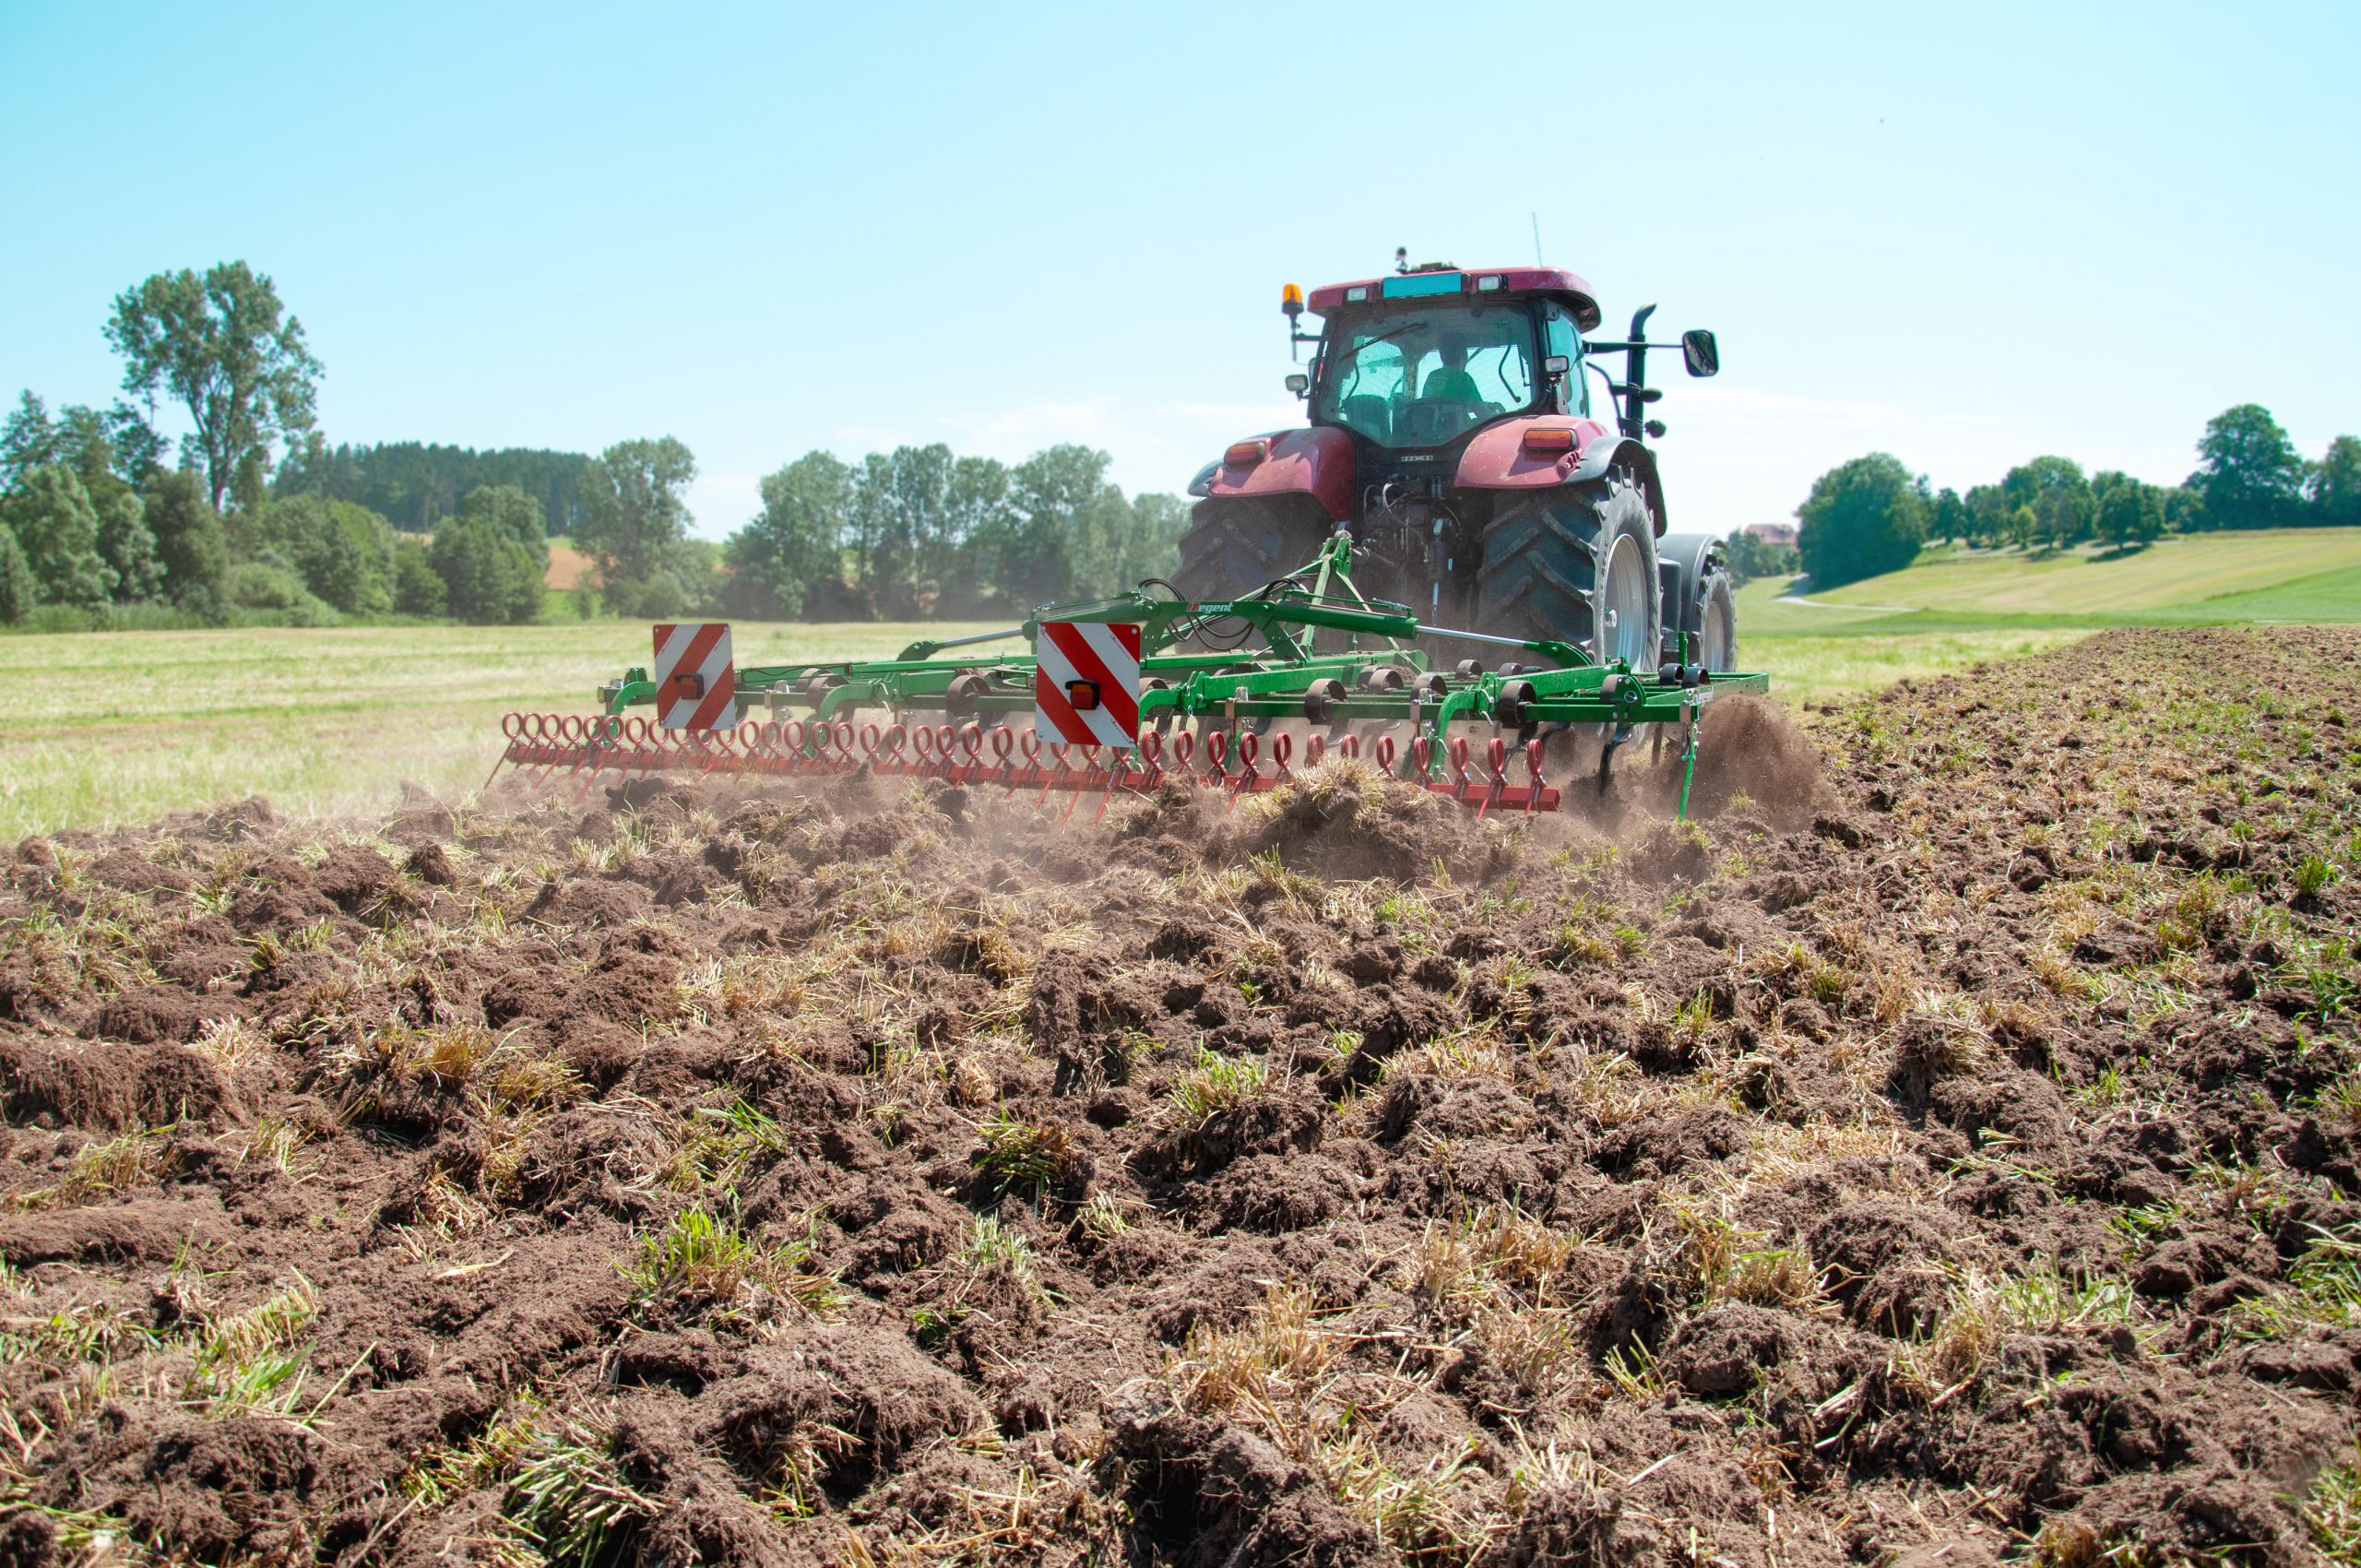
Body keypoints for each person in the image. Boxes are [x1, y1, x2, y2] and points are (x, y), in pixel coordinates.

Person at [1421, 338, 1482, 402]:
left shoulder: (1432, 376)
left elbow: (1424, 403)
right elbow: (1478, 406)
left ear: (1441, 357)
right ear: (1465, 356)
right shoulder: (1464, 379)